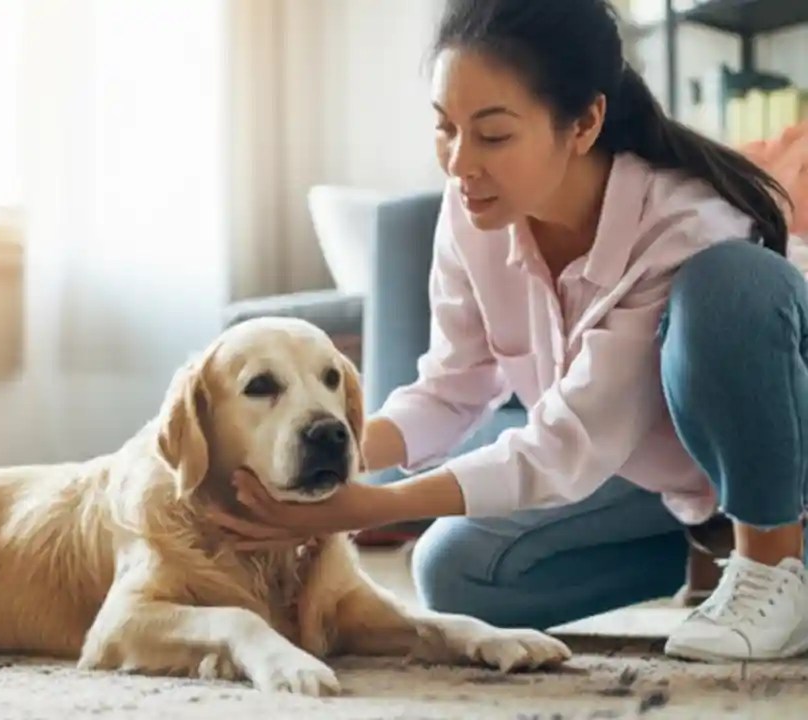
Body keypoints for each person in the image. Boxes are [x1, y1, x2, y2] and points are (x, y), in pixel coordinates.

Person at [208, 0, 808, 662]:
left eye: (492, 136)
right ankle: (708, 554)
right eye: (446, 129)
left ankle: (774, 561)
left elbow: (564, 444)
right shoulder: (474, 216)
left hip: (784, 451)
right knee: (455, 571)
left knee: (729, 286)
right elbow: (451, 386)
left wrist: (362, 508)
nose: (460, 163)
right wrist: (324, 457)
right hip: (672, 482)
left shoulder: (686, 221)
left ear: (584, 123)